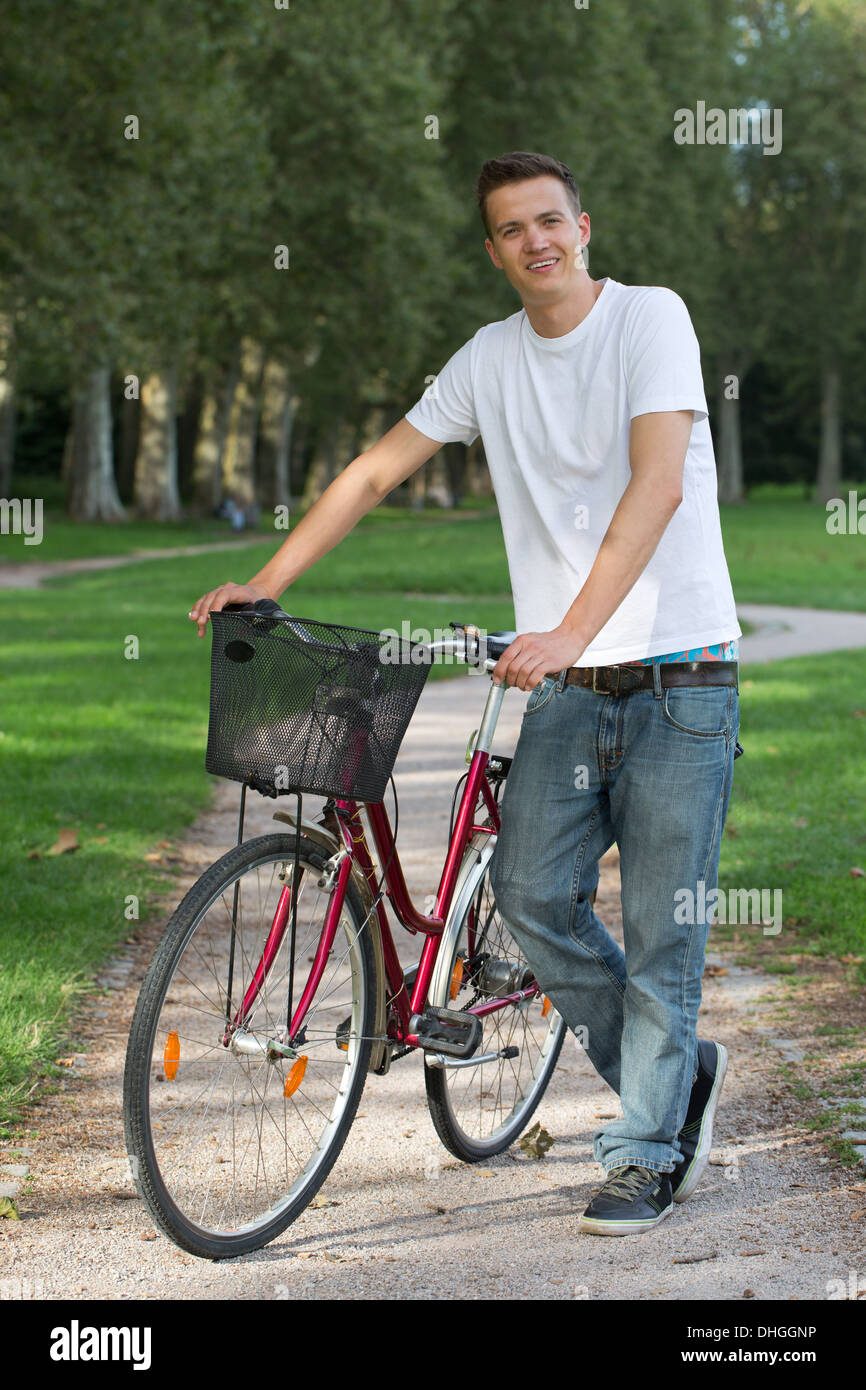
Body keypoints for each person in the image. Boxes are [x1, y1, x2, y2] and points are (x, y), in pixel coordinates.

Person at [189, 150, 740, 1237]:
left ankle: (640, 1150)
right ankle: (673, 1082)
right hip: (566, 690)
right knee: (533, 902)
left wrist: (569, 628)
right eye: (509, 229)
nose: (534, 241)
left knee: (664, 933)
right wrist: (266, 580)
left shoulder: (648, 321)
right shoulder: (487, 359)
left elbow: (657, 480)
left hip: (680, 681)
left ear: (584, 226)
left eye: (549, 220)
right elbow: (373, 471)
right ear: (492, 251)